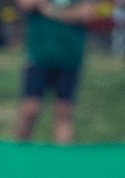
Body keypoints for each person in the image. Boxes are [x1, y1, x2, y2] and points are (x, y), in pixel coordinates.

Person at [15, 0, 93, 145]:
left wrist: (48, 10)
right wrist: (67, 14)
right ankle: (17, 155)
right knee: (30, 109)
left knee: (63, 111)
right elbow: (26, 4)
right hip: (39, 55)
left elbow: (86, 13)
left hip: (69, 57)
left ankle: (61, 163)